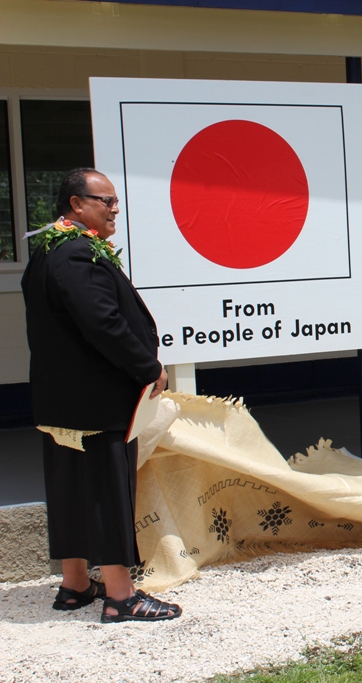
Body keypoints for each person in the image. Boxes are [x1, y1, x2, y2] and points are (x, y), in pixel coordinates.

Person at [21, 168, 181, 622]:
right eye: (105, 201)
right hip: (95, 400)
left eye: (115, 201)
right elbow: (104, 324)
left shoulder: (47, 252)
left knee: (69, 488)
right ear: (76, 204)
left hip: (63, 400)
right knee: (109, 492)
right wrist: (148, 366)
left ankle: (74, 585)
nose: (115, 209)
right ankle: (120, 596)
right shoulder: (74, 255)